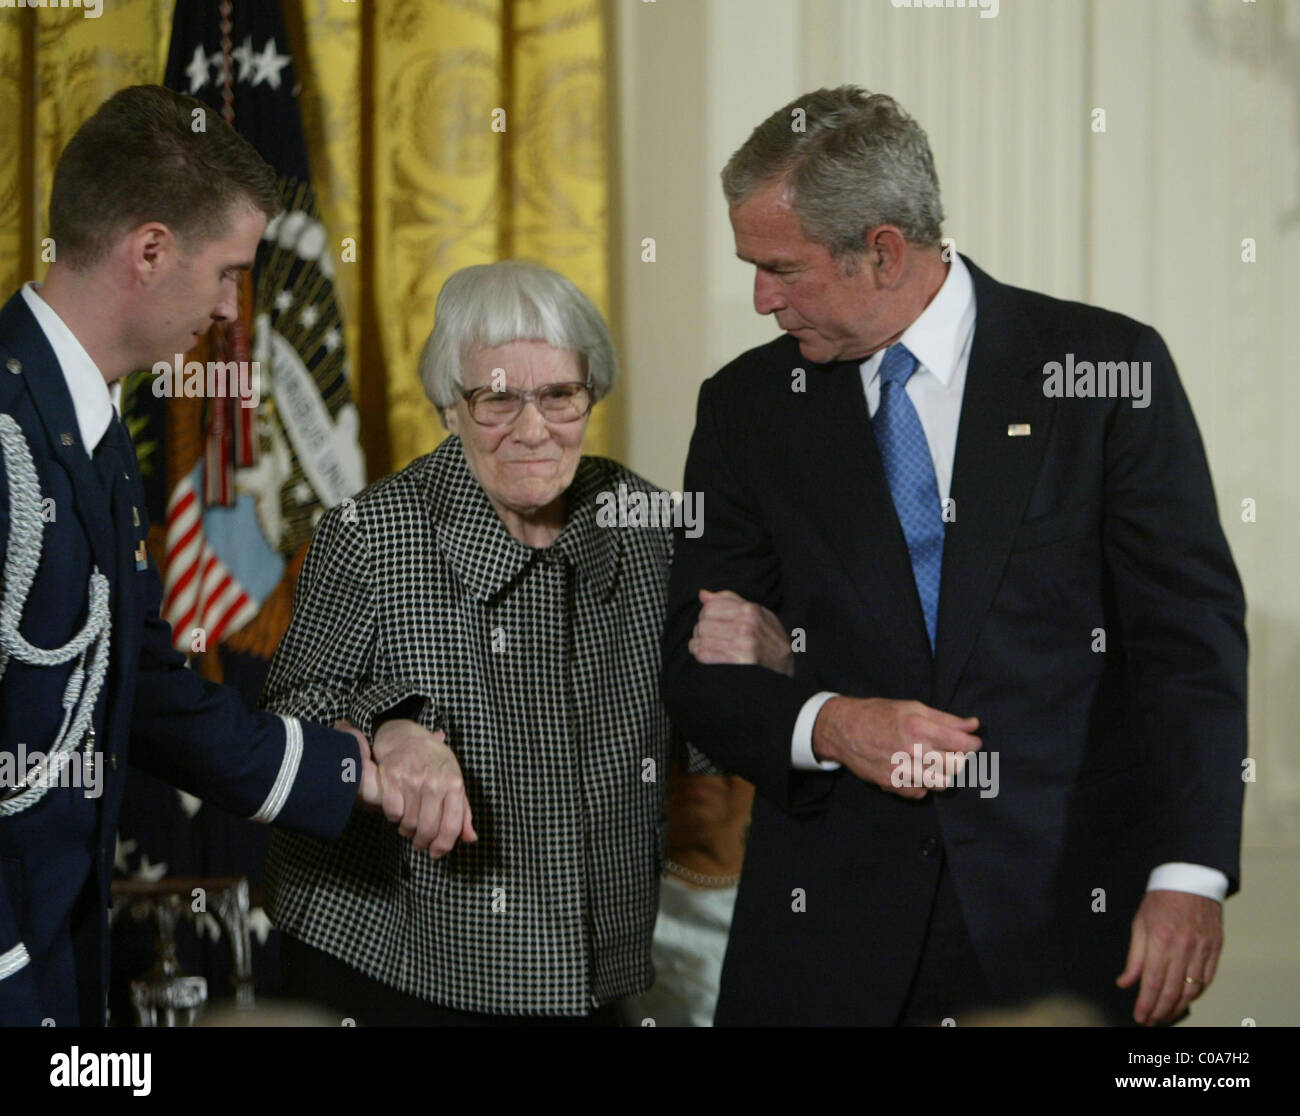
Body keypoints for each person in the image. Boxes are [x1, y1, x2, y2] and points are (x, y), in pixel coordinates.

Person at [661, 86, 1247, 1027]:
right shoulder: (746, 407)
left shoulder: (1104, 372)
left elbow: (1191, 646)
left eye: (781, 268)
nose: (761, 298)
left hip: (1059, 923)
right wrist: (830, 721)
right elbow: (696, 660)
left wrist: (1189, 874)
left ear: (884, 250)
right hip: (825, 933)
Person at [0, 85, 448, 1027]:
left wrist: (351, 769)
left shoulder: (93, 427)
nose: (231, 309)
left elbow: (140, 685)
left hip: (54, 959)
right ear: (151, 249)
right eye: (229, 272)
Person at [262, 260, 694, 1024]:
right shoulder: (370, 536)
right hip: (404, 962)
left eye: (559, 395)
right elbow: (293, 709)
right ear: (449, 407)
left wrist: (774, 667)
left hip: (593, 964)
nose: (533, 430)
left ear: (590, 393)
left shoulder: (644, 525)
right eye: (497, 399)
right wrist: (388, 726)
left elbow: (702, 717)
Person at [623, 761, 755, 1027]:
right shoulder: (609, 908)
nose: (699, 766)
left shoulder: (801, 900)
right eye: (676, 754)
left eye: (719, 753)